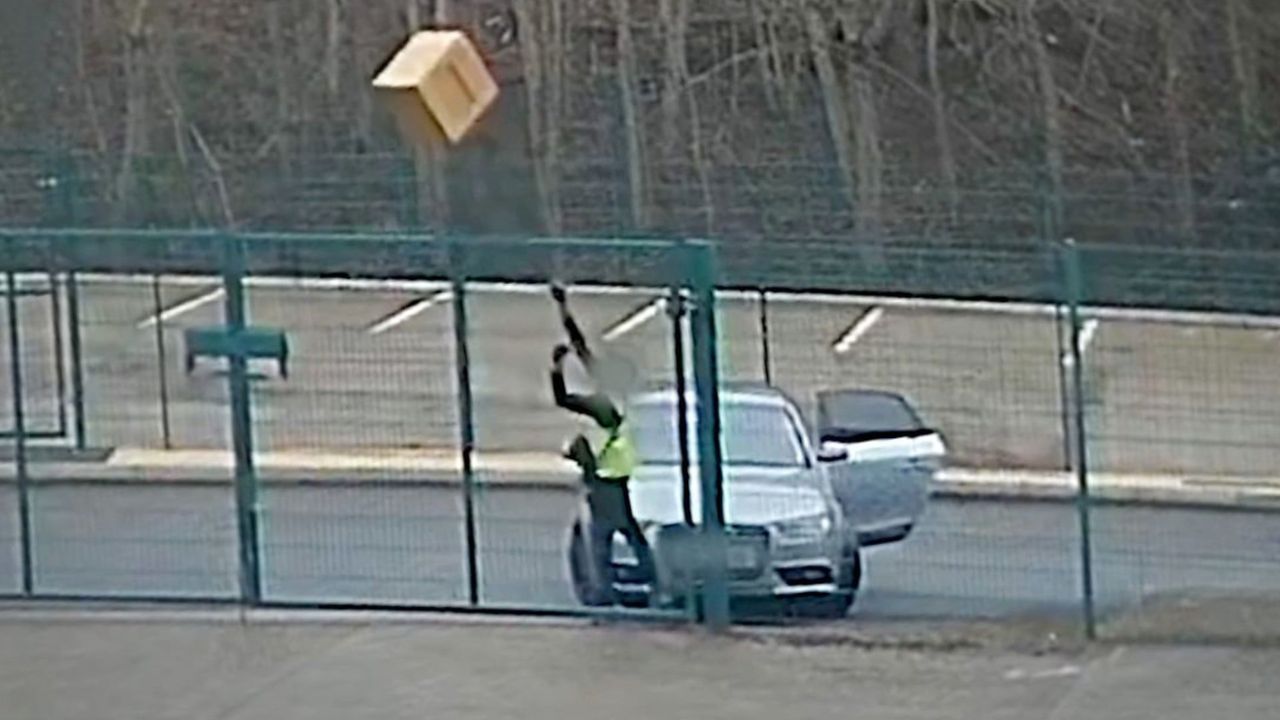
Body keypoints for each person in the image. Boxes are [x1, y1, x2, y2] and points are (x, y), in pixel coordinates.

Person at [550, 284, 655, 606]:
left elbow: (578, 355)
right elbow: (579, 354)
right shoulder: (625, 405)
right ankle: (647, 583)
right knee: (627, 537)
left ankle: (609, 591)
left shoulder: (609, 408)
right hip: (615, 479)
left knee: (604, 539)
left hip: (606, 480)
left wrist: (558, 363)